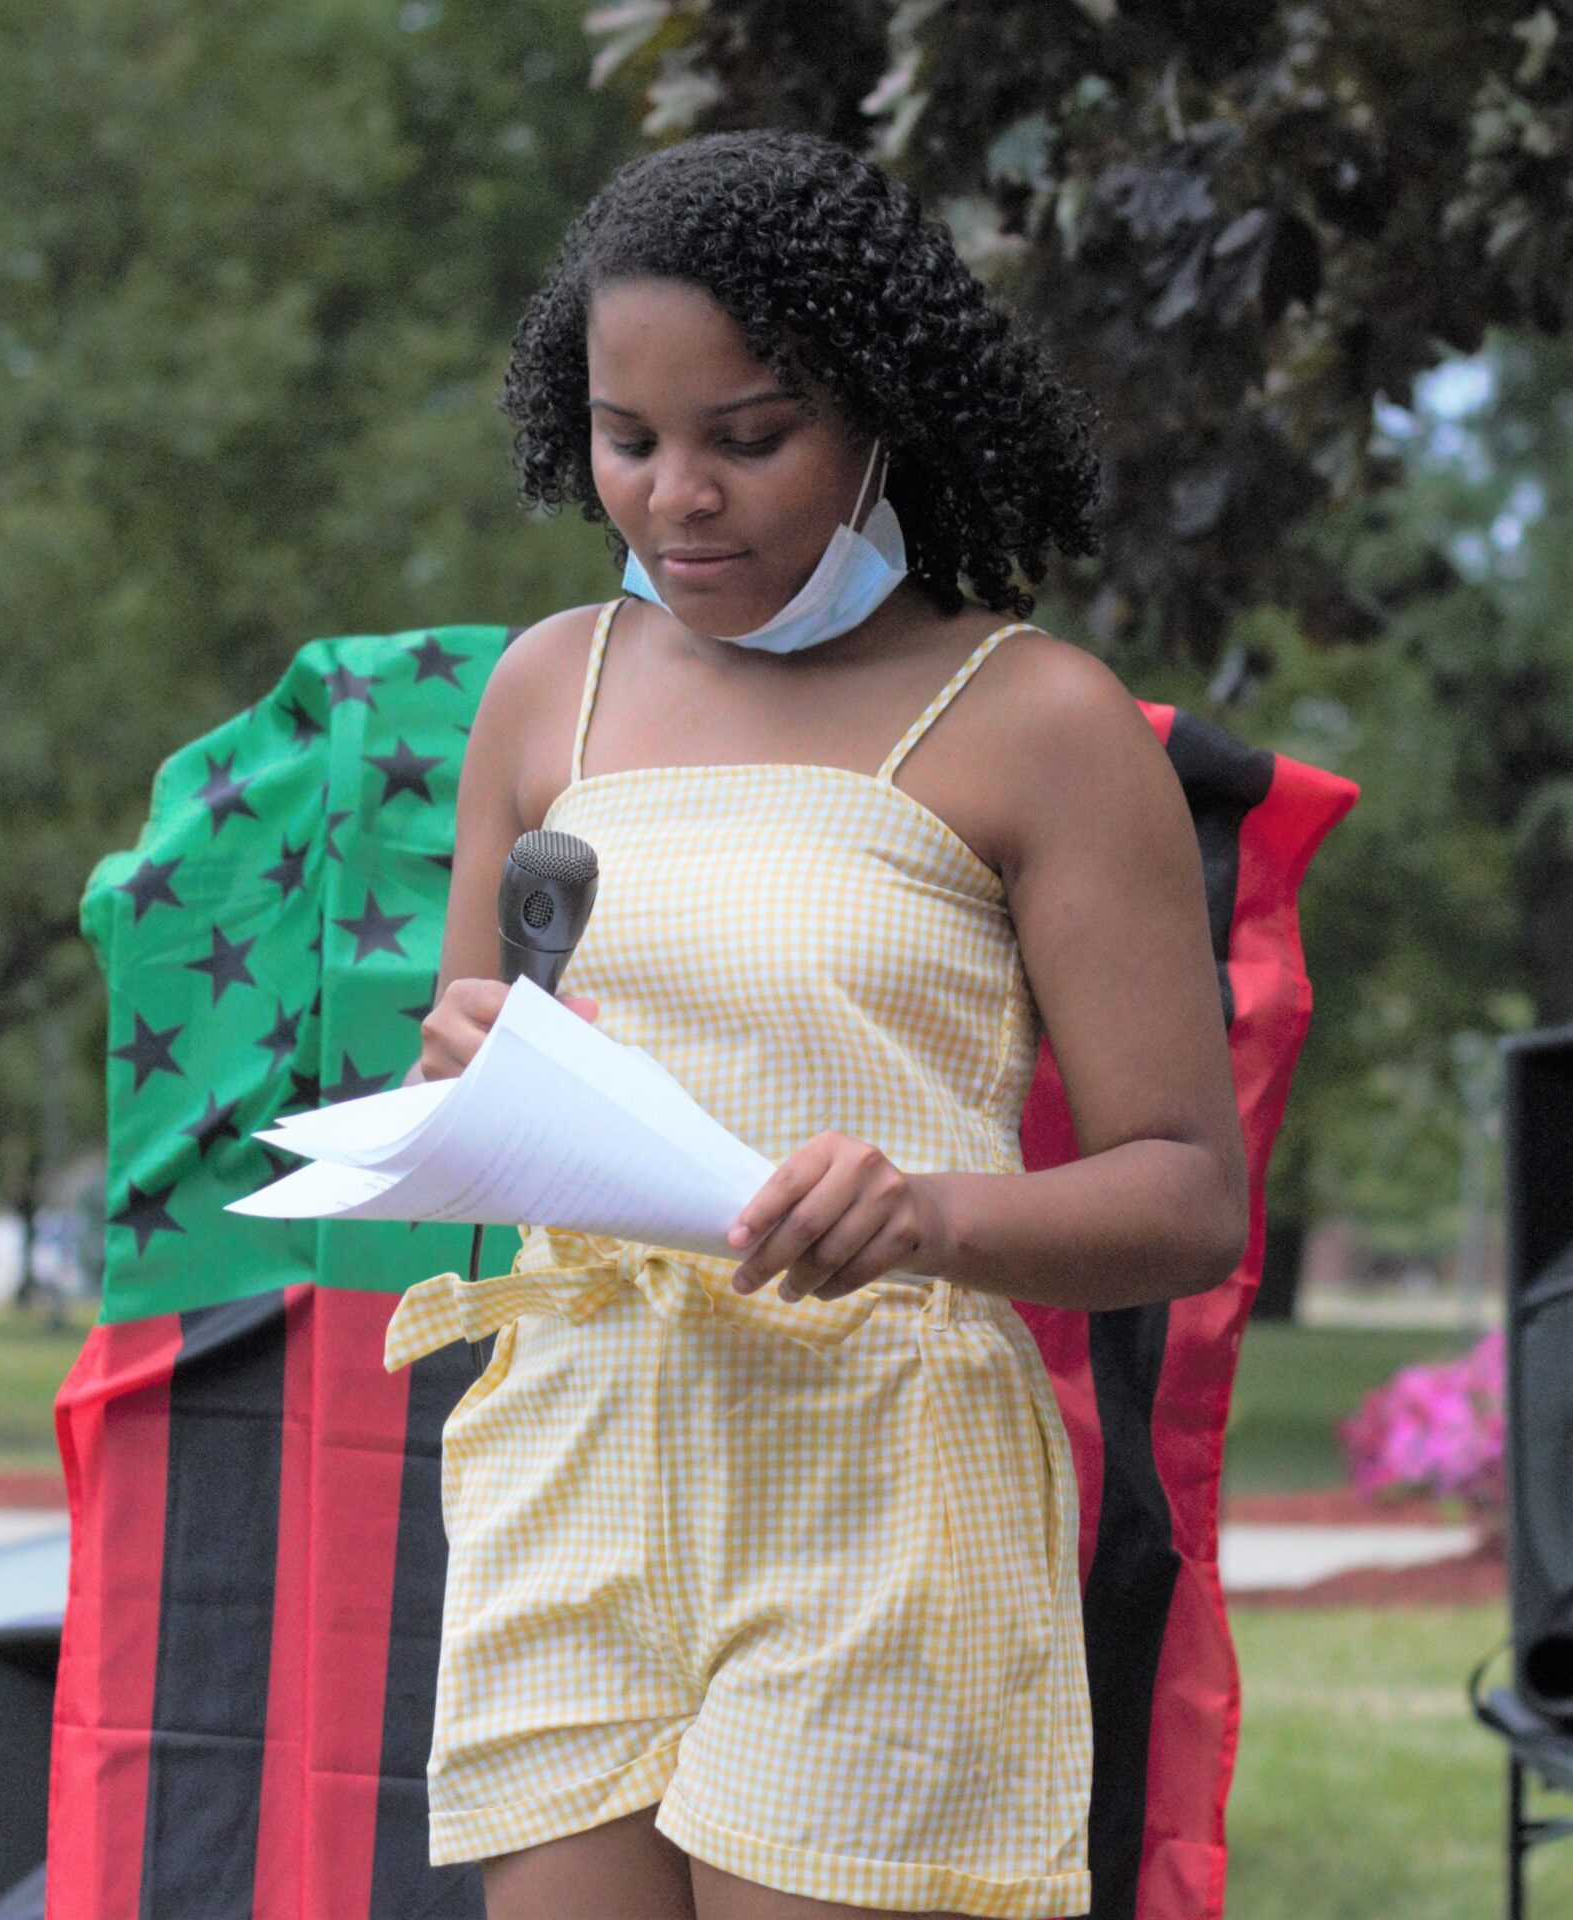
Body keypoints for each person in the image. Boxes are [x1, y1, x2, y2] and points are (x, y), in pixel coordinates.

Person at [391, 128, 1248, 1920]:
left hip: (876, 1484)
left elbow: (1184, 1197)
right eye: (628, 439)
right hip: (580, 1456)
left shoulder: (1038, 720)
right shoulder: (546, 690)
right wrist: (465, 1078)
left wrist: (924, 1214)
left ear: (877, 417)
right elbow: (470, 1093)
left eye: (749, 436)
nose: (676, 499)